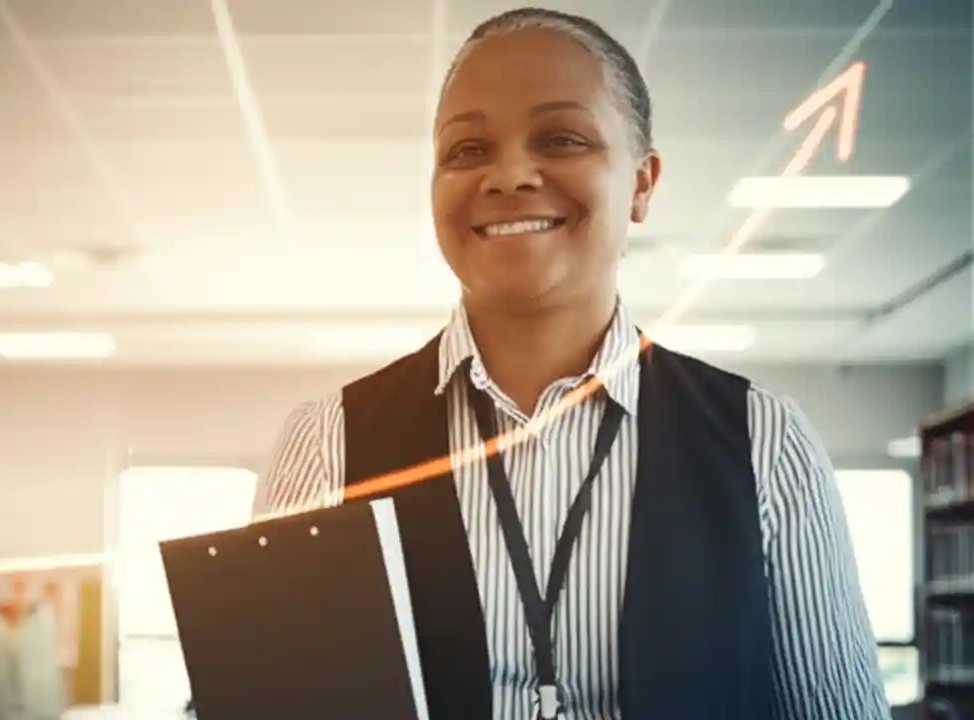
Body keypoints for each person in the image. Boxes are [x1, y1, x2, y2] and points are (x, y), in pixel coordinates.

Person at [252, 7, 888, 720]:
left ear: (642, 184)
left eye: (561, 138)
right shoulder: (327, 443)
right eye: (467, 149)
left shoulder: (764, 441)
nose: (510, 174)